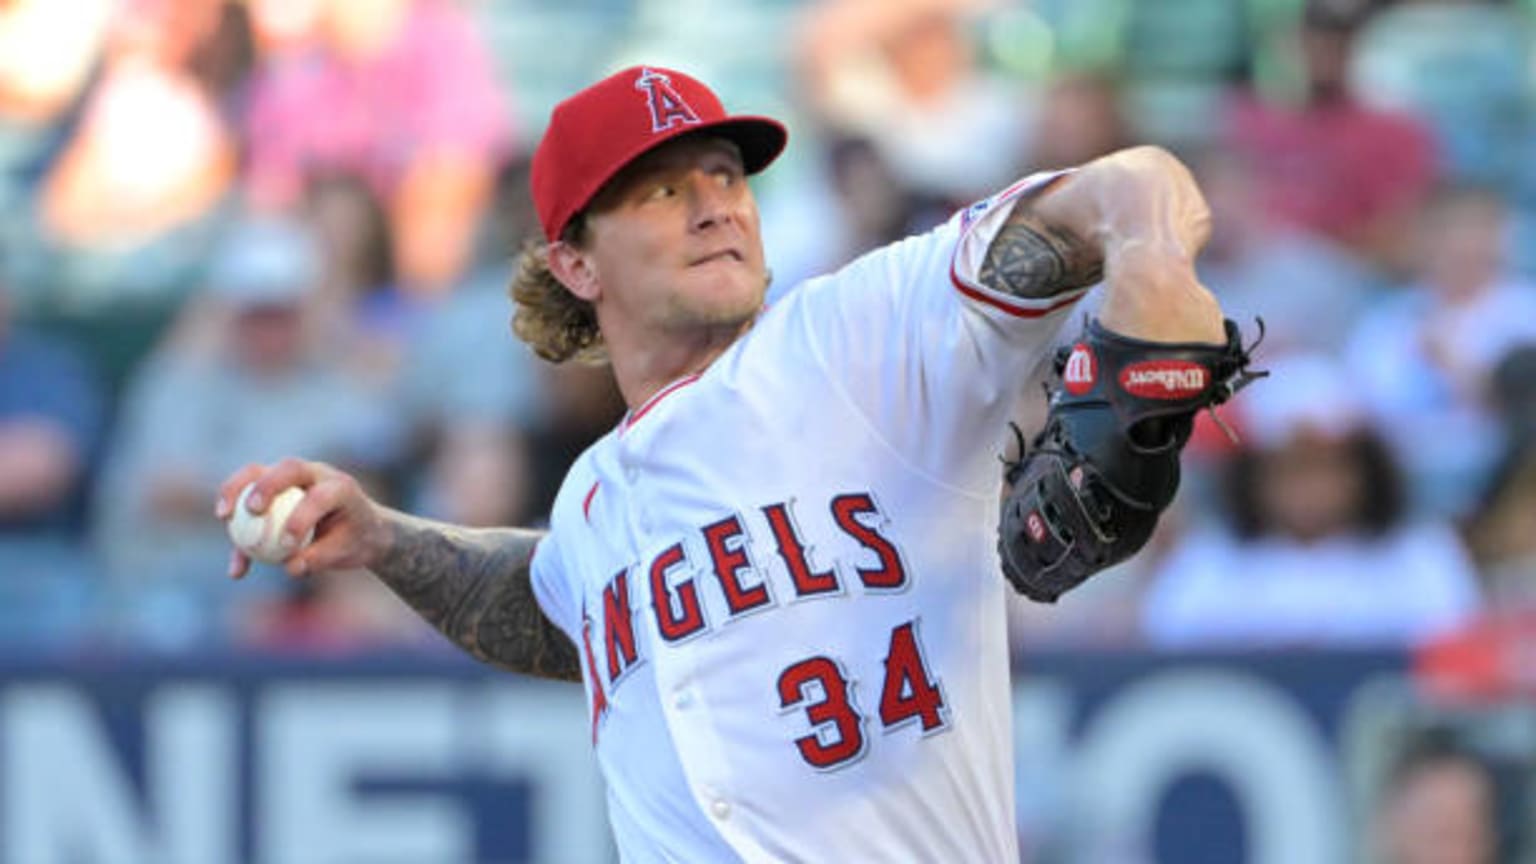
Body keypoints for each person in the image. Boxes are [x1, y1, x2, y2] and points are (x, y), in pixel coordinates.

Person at [216, 65, 1231, 861]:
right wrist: (384, 540)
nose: (715, 207)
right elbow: (555, 602)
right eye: (664, 190)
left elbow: (1139, 185)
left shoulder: (858, 336)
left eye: (726, 177)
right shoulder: (592, 497)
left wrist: (1150, 271)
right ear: (575, 262)